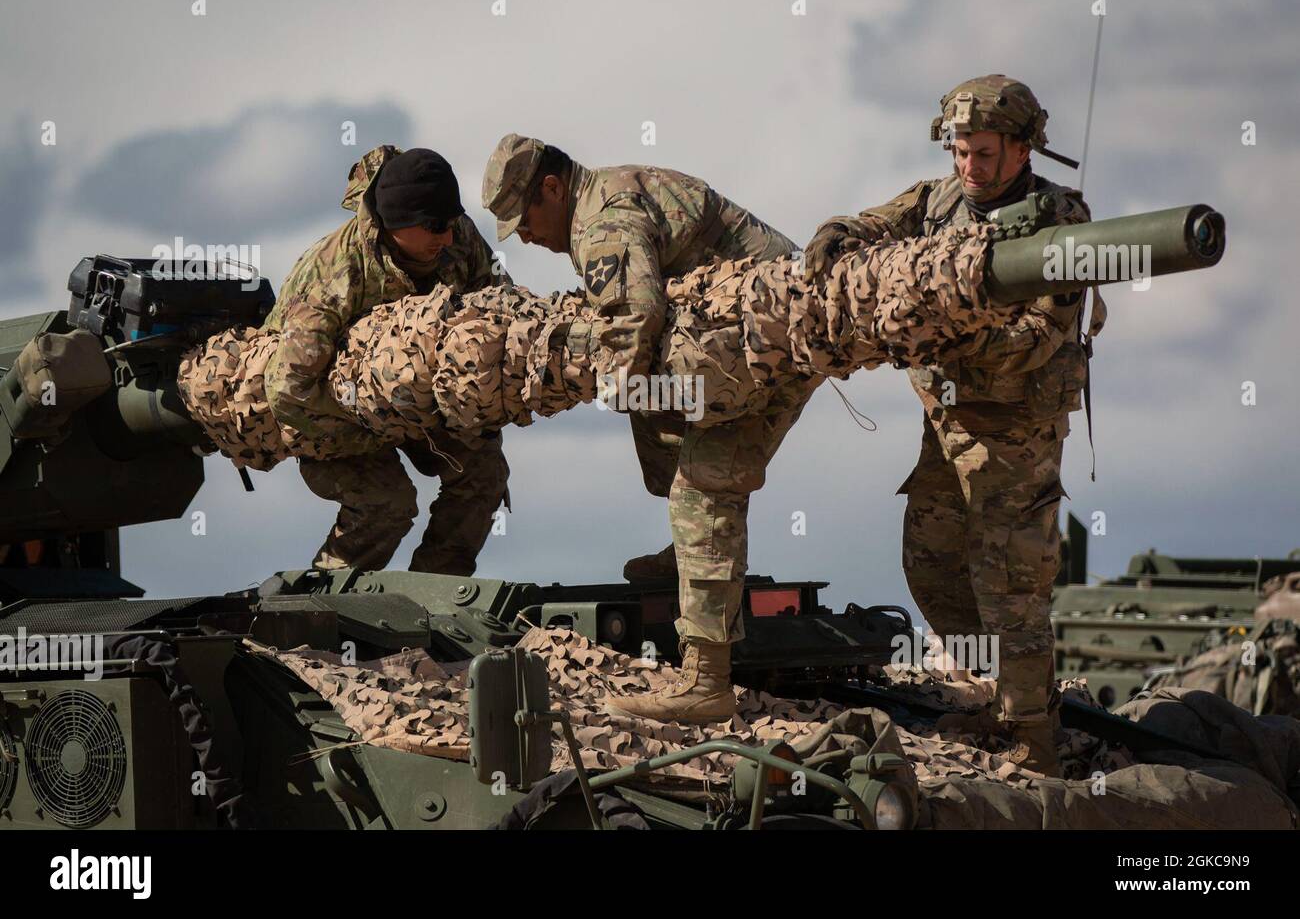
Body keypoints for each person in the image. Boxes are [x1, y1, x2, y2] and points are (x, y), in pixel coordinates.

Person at [804, 76, 1105, 775]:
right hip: (947, 425)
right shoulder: (937, 200)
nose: (971, 167)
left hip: (1015, 431)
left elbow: (1040, 335)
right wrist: (839, 234)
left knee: (1010, 583)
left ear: (1025, 148)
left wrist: (951, 337)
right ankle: (997, 692)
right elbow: (878, 222)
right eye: (961, 152)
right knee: (932, 564)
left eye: (986, 154)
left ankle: (1034, 736)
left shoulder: (1059, 222)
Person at [483, 134, 818, 722]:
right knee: (654, 404)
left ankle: (707, 683)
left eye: (526, 220)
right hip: (760, 336)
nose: (527, 238)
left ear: (554, 189)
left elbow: (636, 315)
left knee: (703, 486)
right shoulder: (608, 194)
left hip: (765, 345)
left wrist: (592, 383)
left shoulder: (601, 226)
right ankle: (694, 555)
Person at [263, 145, 510, 575]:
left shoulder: (456, 238)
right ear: (396, 222)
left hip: (416, 409)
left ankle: (437, 595)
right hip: (326, 417)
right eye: (435, 227)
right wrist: (375, 429)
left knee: (483, 472)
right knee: (389, 503)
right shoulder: (334, 274)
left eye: (451, 223)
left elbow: (500, 306)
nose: (448, 238)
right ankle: (321, 609)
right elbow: (288, 391)